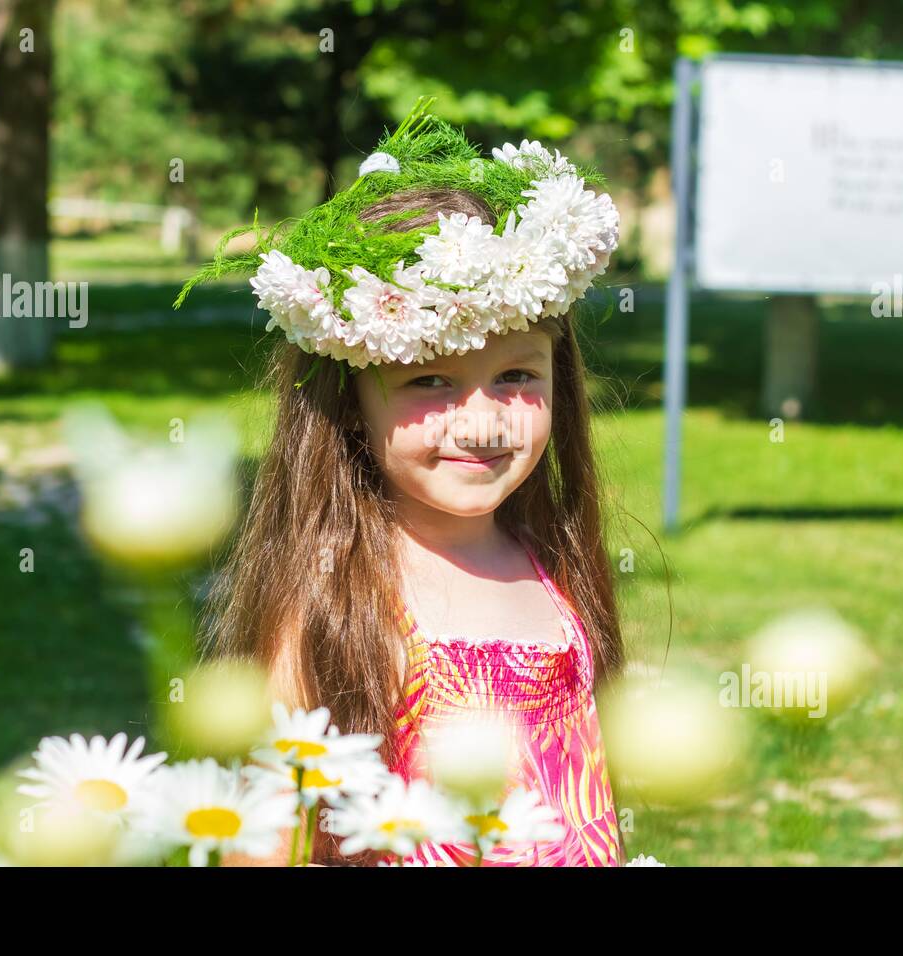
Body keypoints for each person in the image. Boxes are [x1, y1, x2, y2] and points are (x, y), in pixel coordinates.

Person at [183, 97, 627, 865]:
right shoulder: (341, 595)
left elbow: (590, 805)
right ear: (351, 400)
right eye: (430, 380)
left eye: (517, 374)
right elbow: (266, 835)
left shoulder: (553, 569)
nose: (482, 421)